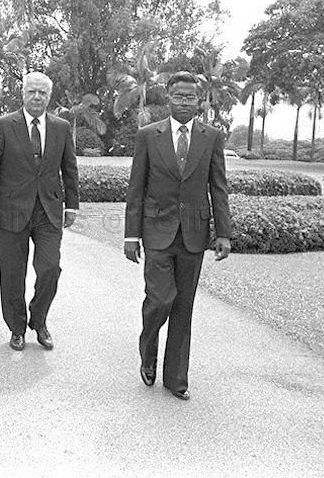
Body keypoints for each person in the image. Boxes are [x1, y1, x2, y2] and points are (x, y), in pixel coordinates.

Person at [124, 71, 232, 401]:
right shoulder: (148, 135)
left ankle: (176, 378)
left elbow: (219, 187)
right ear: (168, 99)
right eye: (178, 97)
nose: (184, 102)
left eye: (190, 97)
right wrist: (131, 236)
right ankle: (148, 349)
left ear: (199, 101)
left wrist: (223, 233)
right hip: (156, 231)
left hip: (194, 234)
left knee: (183, 307)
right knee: (160, 299)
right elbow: (136, 188)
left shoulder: (211, 137)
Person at [0, 71, 79, 351]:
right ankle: (17, 327)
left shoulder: (60, 127)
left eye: (42, 93)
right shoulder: (3, 124)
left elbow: (69, 169)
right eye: (32, 92)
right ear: (23, 94)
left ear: (49, 96)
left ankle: (39, 318)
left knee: (50, 268)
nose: (37, 97)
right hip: (11, 209)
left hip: (48, 210)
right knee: (12, 273)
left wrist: (72, 204)